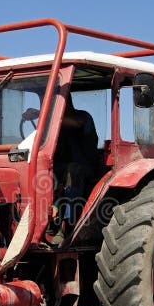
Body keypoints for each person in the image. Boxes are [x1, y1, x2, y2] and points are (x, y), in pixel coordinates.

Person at [48, 94, 98, 245]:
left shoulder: (83, 117)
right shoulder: (53, 124)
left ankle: (66, 226)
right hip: (59, 168)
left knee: (73, 170)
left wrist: (42, 115)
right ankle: (44, 222)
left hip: (86, 168)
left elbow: (76, 124)